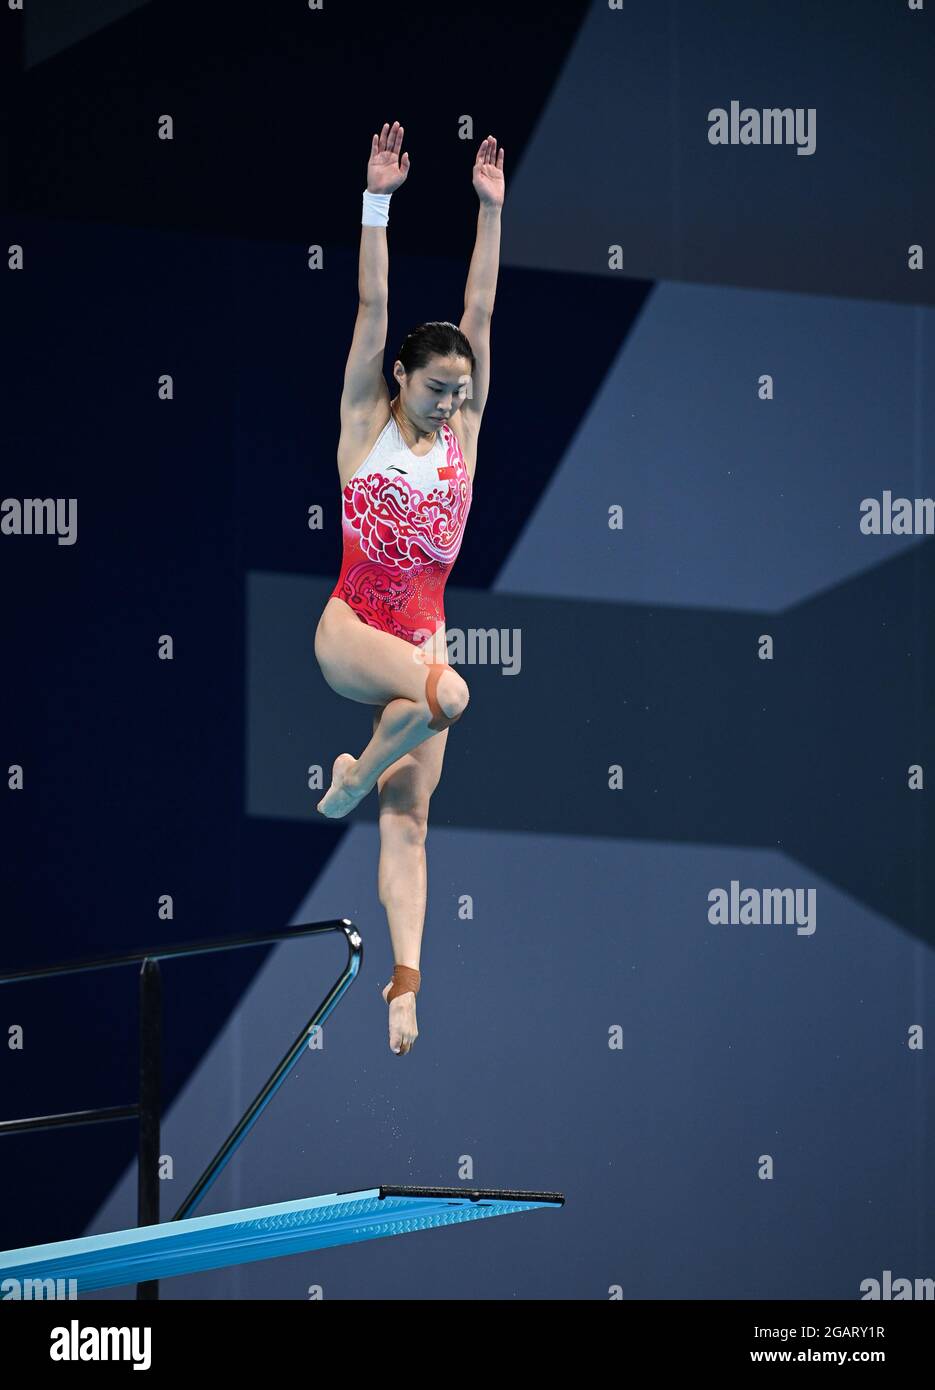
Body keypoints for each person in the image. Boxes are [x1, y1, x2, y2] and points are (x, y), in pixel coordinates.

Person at [313, 120, 504, 1055]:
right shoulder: (365, 425)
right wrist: (376, 199)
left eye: (460, 391)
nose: (448, 403)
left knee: (412, 818)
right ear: (400, 379)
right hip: (353, 628)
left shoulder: (462, 436)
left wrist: (491, 212)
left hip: (422, 632)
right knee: (448, 696)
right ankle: (349, 779)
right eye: (435, 388)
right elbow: (370, 302)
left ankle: (403, 982)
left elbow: (481, 306)